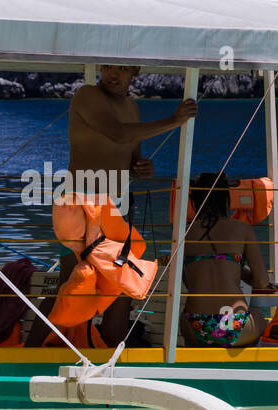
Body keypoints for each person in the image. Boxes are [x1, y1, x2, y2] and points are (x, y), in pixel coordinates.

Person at [28, 65, 198, 346]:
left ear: (134, 71)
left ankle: (109, 363)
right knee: (72, 282)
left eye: (121, 69)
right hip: (80, 202)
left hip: (116, 205)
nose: (113, 73)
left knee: (120, 284)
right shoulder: (87, 95)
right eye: (108, 67)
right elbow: (117, 133)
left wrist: (141, 169)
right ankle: (29, 354)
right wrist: (175, 120)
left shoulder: (132, 107)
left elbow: (130, 156)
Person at [181, 172, 275, 346]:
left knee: (187, 319)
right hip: (234, 325)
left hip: (195, 325)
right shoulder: (241, 228)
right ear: (227, 198)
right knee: (260, 317)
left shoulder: (183, 233)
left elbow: (189, 283)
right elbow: (262, 282)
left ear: (195, 200)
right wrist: (236, 269)